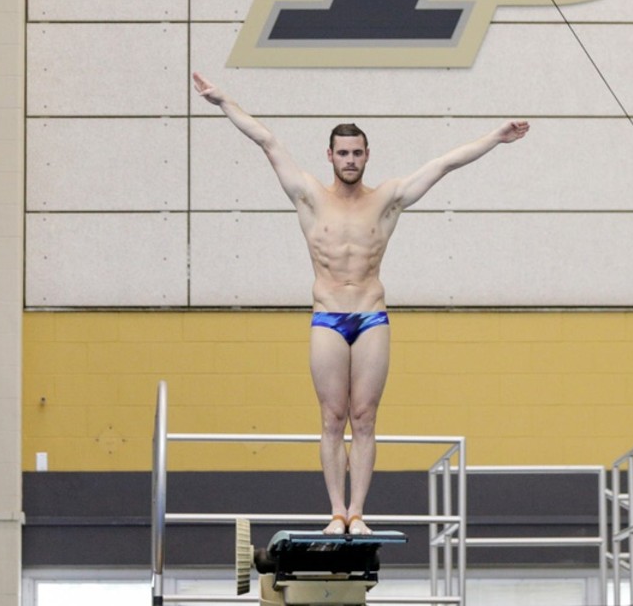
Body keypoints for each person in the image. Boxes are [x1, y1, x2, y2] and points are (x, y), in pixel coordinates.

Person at [192, 72, 529, 534]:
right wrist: (223, 100)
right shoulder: (309, 196)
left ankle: (358, 513)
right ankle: (335, 513)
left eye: (357, 153)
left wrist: (496, 137)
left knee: (365, 416)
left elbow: (444, 163)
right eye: (343, 153)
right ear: (330, 156)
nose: (350, 160)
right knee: (332, 417)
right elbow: (268, 141)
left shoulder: (388, 199)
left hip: (371, 315)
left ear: (367, 156)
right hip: (327, 316)